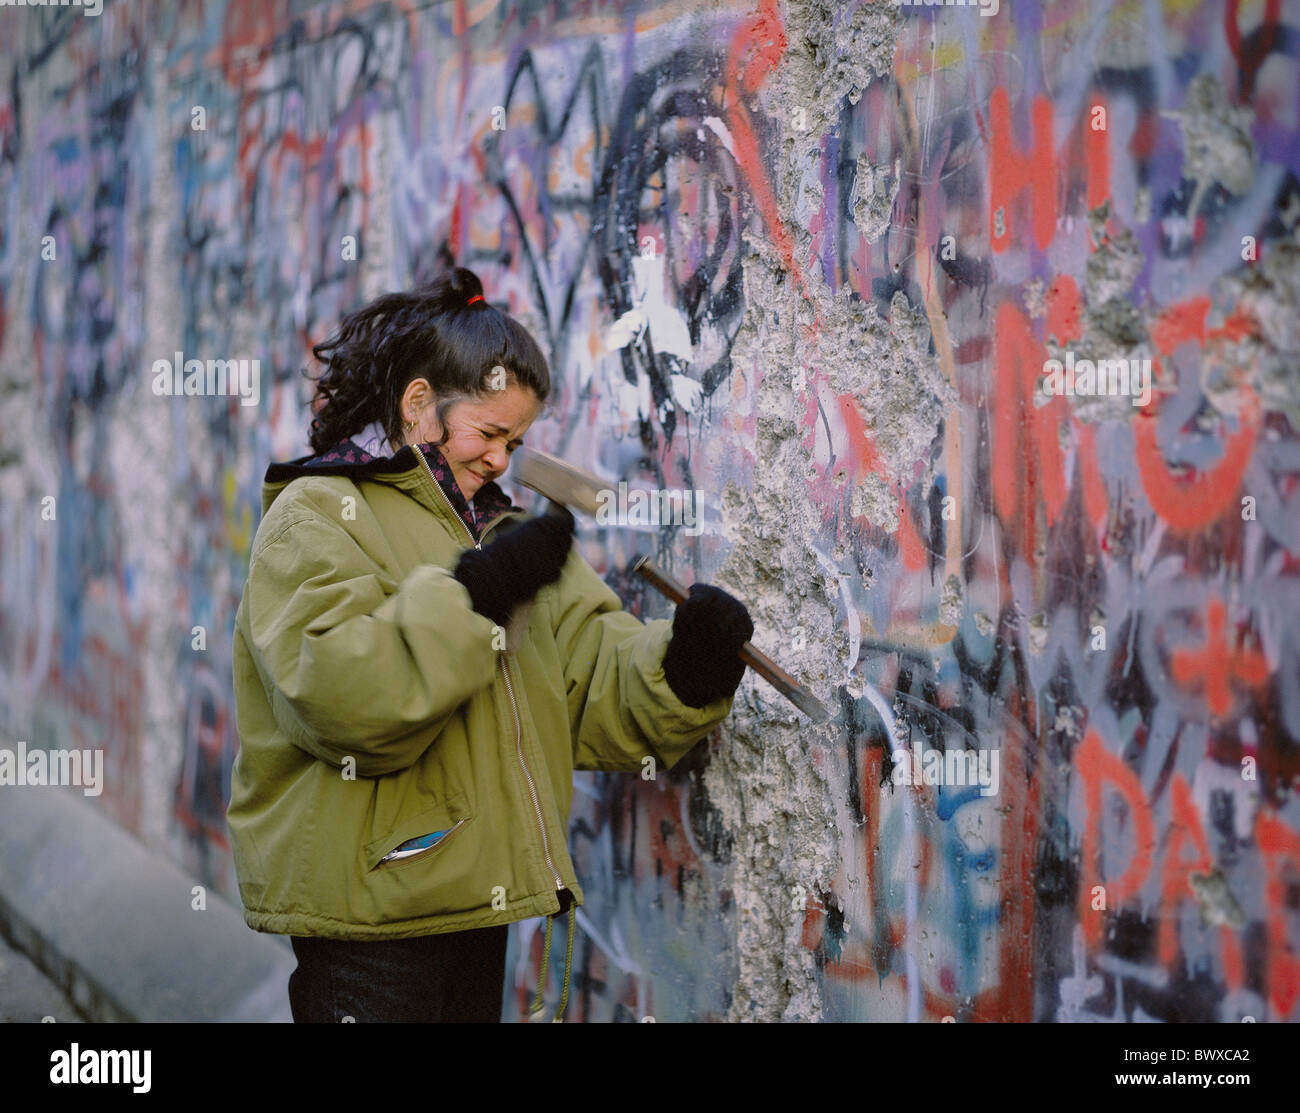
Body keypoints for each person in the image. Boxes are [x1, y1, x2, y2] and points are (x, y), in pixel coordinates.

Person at [227, 266, 754, 1022]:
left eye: (517, 439)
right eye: (489, 432)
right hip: (370, 930)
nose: (502, 458)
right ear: (420, 407)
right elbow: (340, 696)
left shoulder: (507, 534)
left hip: (479, 909)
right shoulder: (318, 513)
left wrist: (687, 665)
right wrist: (475, 595)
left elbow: (595, 679)